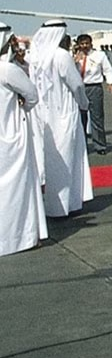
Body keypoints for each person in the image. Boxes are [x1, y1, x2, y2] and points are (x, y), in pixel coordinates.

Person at [29, 21, 92, 217]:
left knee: (50, 158)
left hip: (43, 115)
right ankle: (64, 206)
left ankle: (57, 204)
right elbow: (77, 85)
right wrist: (84, 104)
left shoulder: (35, 56)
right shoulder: (61, 56)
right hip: (64, 112)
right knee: (66, 158)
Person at [0, 46, 43, 256]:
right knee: (16, 189)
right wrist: (22, 107)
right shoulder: (8, 70)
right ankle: (19, 238)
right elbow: (32, 95)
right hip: (11, 136)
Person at [73, 34, 112, 155]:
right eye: (82, 43)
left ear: (91, 43)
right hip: (80, 88)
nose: (84, 46)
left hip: (94, 87)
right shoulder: (75, 57)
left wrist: (110, 82)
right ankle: (83, 146)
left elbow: (107, 70)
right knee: (81, 118)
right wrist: (75, 61)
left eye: (86, 43)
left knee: (97, 117)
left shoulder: (99, 55)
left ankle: (100, 145)